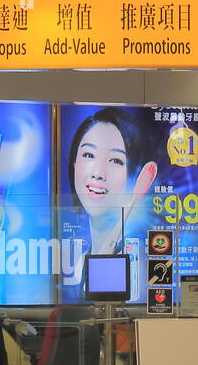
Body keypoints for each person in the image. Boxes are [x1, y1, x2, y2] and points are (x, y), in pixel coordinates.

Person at [67, 107, 158, 257]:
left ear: (135, 177)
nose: (98, 174)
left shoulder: (135, 258)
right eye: (89, 155)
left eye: (115, 160)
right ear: (74, 163)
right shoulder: (80, 262)